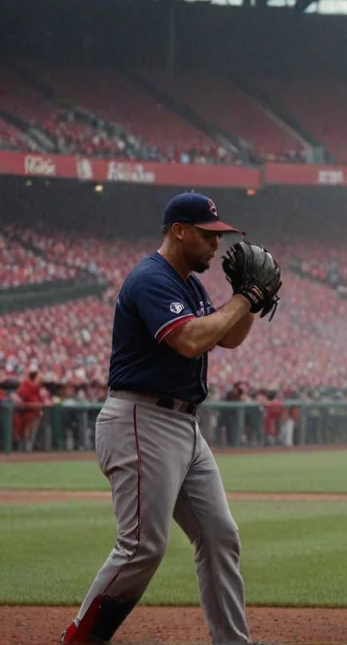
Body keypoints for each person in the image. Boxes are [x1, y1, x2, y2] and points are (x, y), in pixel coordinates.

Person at [60, 191, 281, 645]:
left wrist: (249, 302)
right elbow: (189, 340)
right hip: (142, 420)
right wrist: (244, 298)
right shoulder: (151, 278)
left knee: (219, 535)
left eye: (219, 235)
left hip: (183, 425)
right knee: (142, 547)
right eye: (208, 234)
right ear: (179, 231)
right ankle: (79, 640)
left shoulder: (190, 285)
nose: (217, 243)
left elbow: (227, 338)